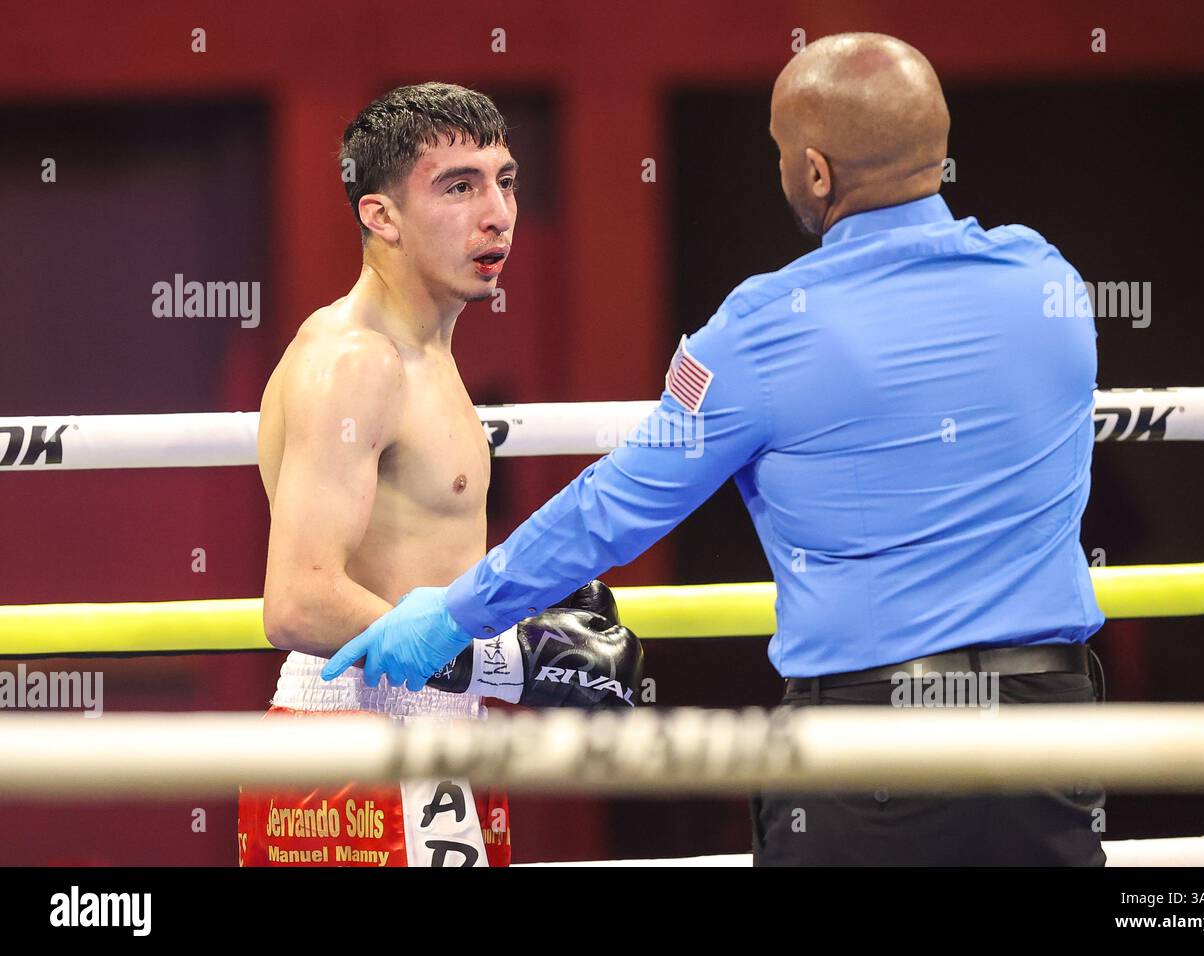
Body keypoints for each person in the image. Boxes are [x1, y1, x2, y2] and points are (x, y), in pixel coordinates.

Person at [325, 34, 1107, 866]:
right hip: (1048, 723)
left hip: (875, 740)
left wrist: (451, 615)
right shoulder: (1048, 279)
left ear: (814, 171)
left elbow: (618, 505)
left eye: (779, 153)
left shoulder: (767, 326)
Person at [239, 82, 641, 868]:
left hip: (433, 731)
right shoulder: (356, 362)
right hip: (362, 742)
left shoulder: (428, 356)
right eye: (459, 188)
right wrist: (512, 661)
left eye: (506, 180)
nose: (497, 212)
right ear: (380, 215)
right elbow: (296, 600)